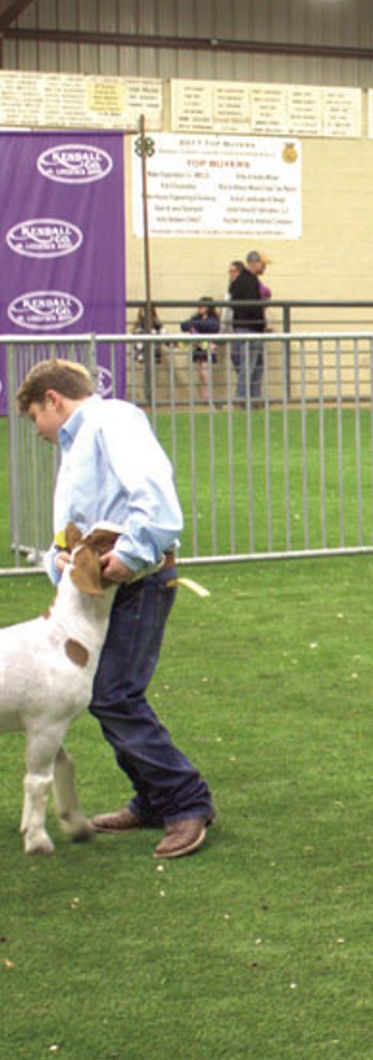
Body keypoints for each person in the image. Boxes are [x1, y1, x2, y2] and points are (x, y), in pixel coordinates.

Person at [15, 359, 216, 858]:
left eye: (34, 417)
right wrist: (59, 558)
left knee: (114, 694)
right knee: (106, 694)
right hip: (101, 590)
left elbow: (154, 496)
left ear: (52, 399)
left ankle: (185, 801)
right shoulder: (82, 440)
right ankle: (153, 799)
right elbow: (77, 525)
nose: (36, 430)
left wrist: (132, 553)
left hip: (135, 582)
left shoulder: (114, 421)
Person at [229, 250, 271, 403]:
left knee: (256, 364)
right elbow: (252, 307)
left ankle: (253, 398)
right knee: (250, 365)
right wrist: (260, 321)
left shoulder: (240, 280)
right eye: (263, 264)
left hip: (243, 327)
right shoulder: (251, 281)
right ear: (255, 263)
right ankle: (243, 398)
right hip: (250, 328)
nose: (265, 267)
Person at [181, 297, 220, 402]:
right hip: (199, 348)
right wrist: (195, 326)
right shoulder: (196, 318)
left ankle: (207, 397)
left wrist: (194, 326)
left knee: (204, 372)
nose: (200, 308)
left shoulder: (212, 319)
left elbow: (212, 326)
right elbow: (184, 325)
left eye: (203, 306)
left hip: (208, 348)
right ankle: (204, 397)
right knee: (201, 374)